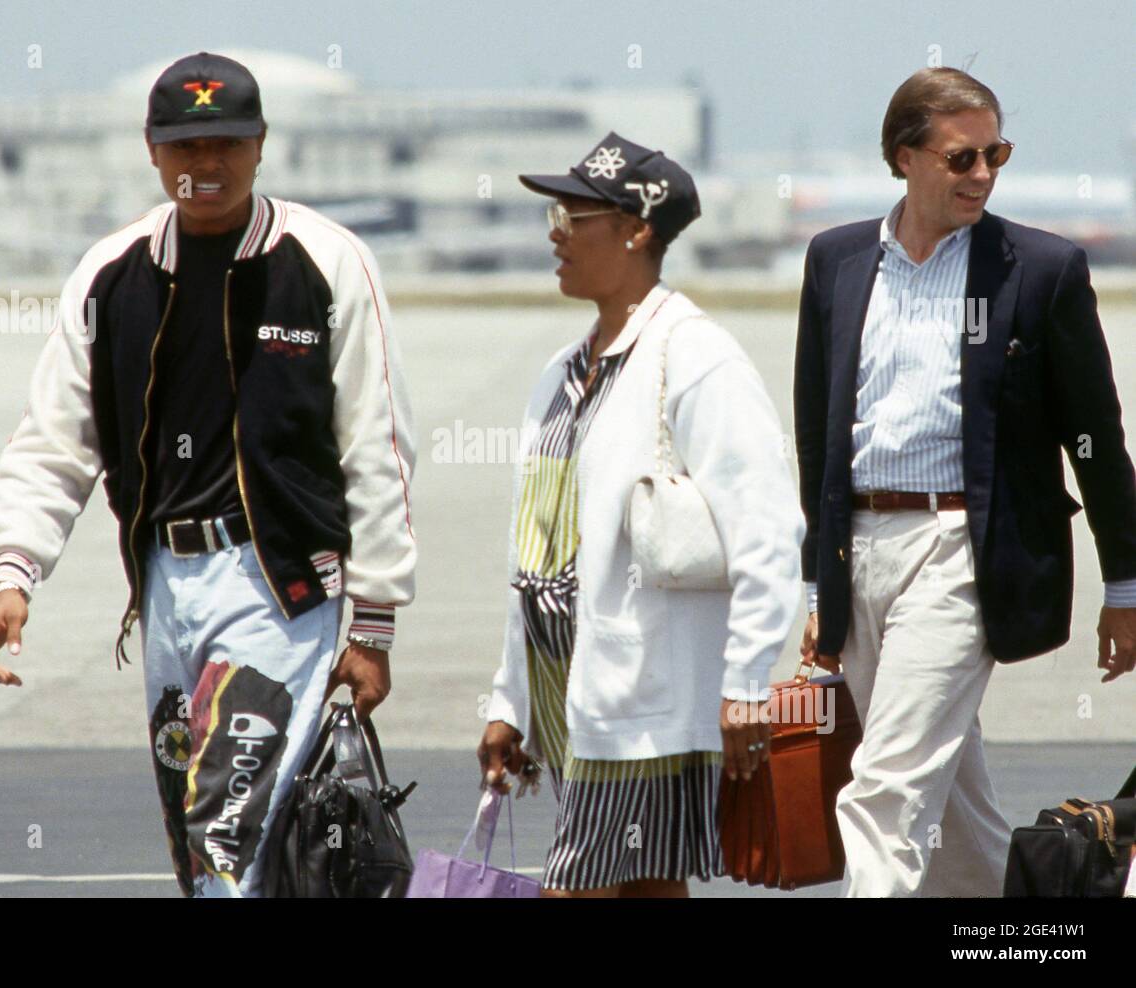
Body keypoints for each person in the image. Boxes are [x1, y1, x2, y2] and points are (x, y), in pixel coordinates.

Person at [0, 52, 417, 898]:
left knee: (227, 837)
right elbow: (56, 437)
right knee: (200, 849)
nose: (204, 165)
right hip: (166, 591)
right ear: (151, 148)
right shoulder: (112, 273)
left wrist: (376, 617)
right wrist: (13, 571)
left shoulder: (326, 262)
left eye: (225, 144)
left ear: (260, 146)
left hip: (281, 590)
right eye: (185, 146)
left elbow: (378, 443)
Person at [794, 67, 1136, 897]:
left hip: (963, 556)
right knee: (948, 807)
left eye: (996, 155)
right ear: (905, 157)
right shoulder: (836, 261)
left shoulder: (1041, 270)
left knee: (884, 789)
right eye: (962, 159)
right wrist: (816, 589)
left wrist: (1125, 584)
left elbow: (1094, 439)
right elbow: (815, 438)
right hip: (861, 549)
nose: (983, 174)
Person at [478, 133, 804, 897]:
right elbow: (538, 551)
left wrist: (749, 681)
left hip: (641, 700)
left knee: (577, 888)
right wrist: (510, 700)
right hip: (568, 698)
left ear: (637, 230)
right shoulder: (559, 373)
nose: (554, 233)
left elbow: (768, 528)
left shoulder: (693, 357)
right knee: (648, 890)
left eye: (572, 215)